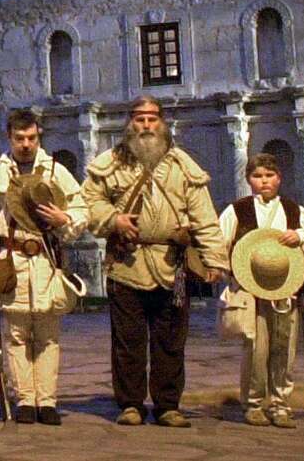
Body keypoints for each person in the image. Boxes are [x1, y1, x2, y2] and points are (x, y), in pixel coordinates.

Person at [81, 96, 228, 428]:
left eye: (151, 118)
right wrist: (114, 220)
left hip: (171, 264)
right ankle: (130, 404)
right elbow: (88, 202)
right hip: (126, 264)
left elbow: (204, 215)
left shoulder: (182, 166)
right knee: (128, 341)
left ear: (162, 122)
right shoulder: (109, 164)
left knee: (170, 340)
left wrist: (214, 257)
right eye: (139, 118)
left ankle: (167, 405)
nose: (146, 125)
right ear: (129, 123)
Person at [0, 109, 87, 425]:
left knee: (47, 336)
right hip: (12, 261)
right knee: (17, 336)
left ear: (39, 136)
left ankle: (47, 402)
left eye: (31, 138)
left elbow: (80, 209)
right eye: (19, 138)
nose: (25, 144)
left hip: (47, 261)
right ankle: (25, 401)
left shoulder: (55, 171)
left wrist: (66, 220)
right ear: (10, 137)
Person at [217, 153, 304, 428]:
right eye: (258, 176)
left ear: (279, 178)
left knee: (285, 348)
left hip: (285, 287)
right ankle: (253, 403)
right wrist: (230, 270)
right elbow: (220, 242)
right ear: (249, 179)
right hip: (251, 290)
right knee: (256, 348)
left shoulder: (295, 211)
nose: (264, 181)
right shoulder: (237, 210)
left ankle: (280, 403)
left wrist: (299, 236)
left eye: (269, 175)